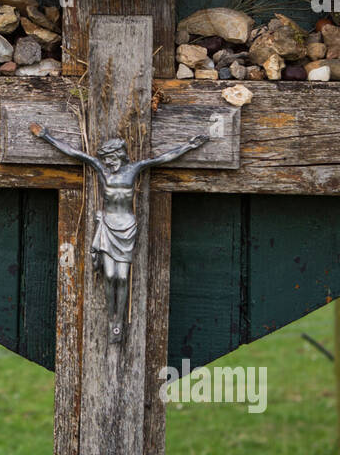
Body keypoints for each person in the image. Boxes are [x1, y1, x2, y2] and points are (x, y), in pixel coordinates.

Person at [30, 123, 207, 343]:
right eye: (104, 159)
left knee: (123, 277)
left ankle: (119, 320)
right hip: (108, 225)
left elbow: (163, 158)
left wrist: (189, 146)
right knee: (110, 275)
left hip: (127, 226)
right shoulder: (101, 170)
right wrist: (47, 137)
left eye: (110, 158)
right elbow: (75, 153)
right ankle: (111, 317)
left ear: (119, 156)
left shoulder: (134, 169)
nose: (106, 162)